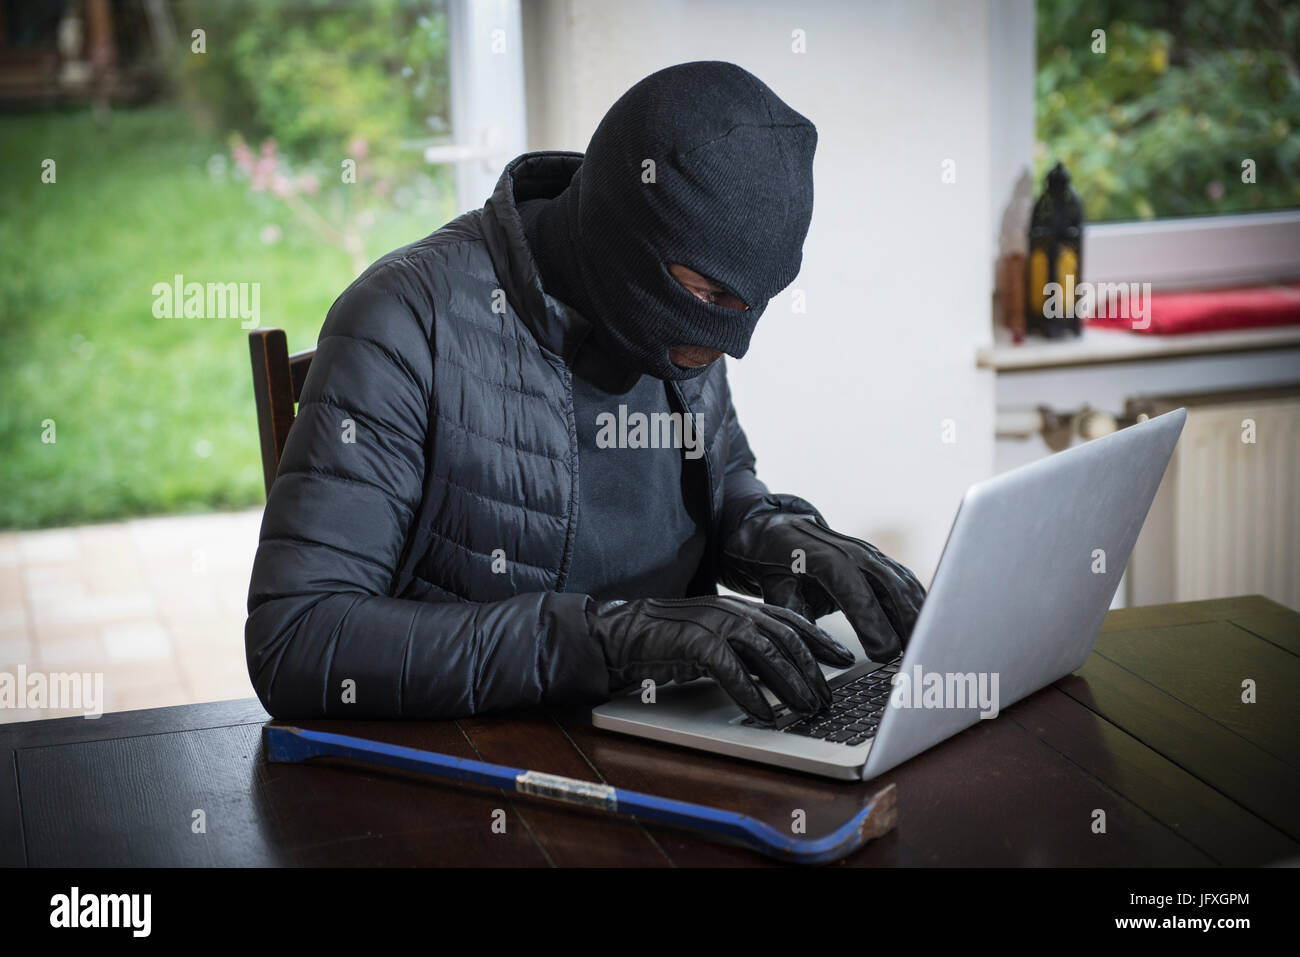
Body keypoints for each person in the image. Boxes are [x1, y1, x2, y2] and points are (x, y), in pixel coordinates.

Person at [245, 60, 926, 726]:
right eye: (708, 294)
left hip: (671, 736)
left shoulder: (676, 305)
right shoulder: (404, 318)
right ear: (621, 225)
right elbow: (297, 638)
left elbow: (720, 482)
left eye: (751, 305)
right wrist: (602, 641)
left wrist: (773, 534)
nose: (727, 340)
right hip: (488, 765)